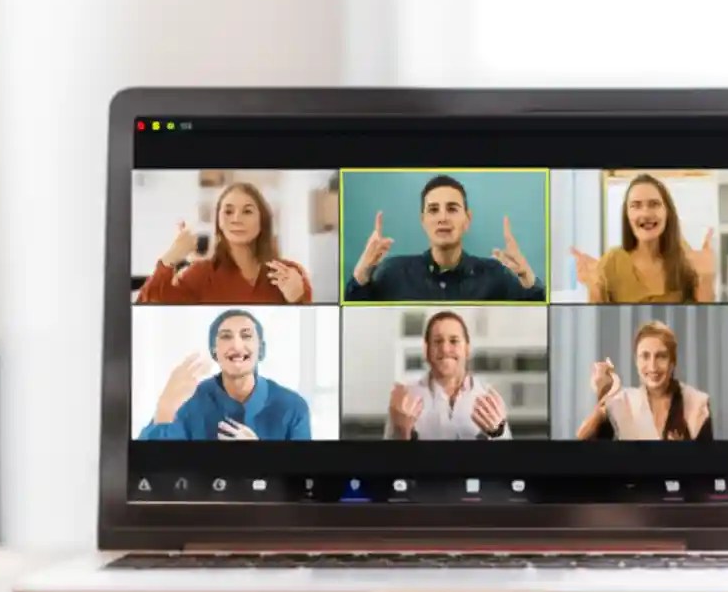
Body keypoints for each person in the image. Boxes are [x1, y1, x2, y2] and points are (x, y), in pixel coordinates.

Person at [344, 175, 544, 302]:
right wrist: (360, 274)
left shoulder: (496, 276)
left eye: (452, 208)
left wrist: (528, 277)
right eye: (433, 210)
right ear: (423, 220)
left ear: (467, 219)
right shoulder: (391, 273)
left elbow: (540, 318)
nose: (443, 218)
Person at [138, 309, 311, 440]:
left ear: (261, 349)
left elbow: (303, 478)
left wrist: (260, 456)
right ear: (214, 351)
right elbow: (150, 469)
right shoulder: (189, 402)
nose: (236, 345)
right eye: (226, 337)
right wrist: (164, 410)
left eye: (246, 336)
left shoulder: (293, 407)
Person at [136, 182, 313, 304]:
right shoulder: (200, 275)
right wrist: (171, 256)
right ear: (218, 222)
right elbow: (147, 307)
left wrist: (298, 298)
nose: (236, 218)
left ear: (263, 220)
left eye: (247, 211)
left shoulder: (290, 273)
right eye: (228, 211)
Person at [569, 173, 715, 303]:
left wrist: (706, 277)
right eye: (636, 206)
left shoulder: (685, 257)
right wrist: (593, 286)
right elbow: (599, 322)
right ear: (627, 215)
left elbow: (704, 317)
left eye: (654, 204)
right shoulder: (612, 262)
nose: (645, 213)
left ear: (667, 212)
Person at [576, 320, 713, 441]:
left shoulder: (696, 403)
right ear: (636, 361)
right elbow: (581, 442)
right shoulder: (622, 403)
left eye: (661, 356)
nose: (653, 367)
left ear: (672, 361)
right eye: (645, 356)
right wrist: (605, 398)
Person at [385, 311, 512, 440]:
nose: (445, 349)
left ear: (467, 349)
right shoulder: (405, 399)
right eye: (438, 341)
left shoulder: (489, 398)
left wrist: (496, 433)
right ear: (426, 350)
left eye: (454, 341)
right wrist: (402, 431)